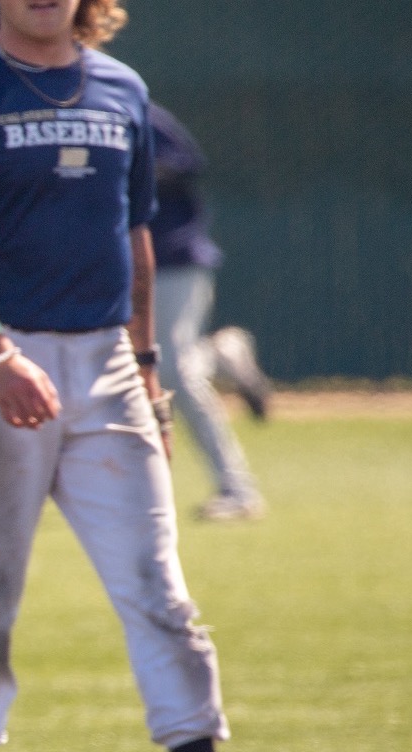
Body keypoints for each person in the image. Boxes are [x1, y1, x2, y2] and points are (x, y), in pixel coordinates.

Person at [0, 0, 299, 752]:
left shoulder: (121, 87)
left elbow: (135, 232)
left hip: (107, 359)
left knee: (158, 582)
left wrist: (145, 362)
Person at [150, 101, 273, 522]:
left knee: (171, 370)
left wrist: (120, 174)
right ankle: (219, 357)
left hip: (172, 259)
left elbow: (185, 162)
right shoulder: (38, 115)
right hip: (112, 269)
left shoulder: (121, 102)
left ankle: (237, 490)